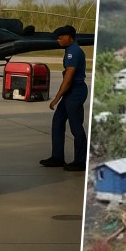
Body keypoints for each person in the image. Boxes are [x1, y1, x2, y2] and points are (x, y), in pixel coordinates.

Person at [40, 25, 87, 172]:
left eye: (61, 36)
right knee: (58, 121)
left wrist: (57, 97)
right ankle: (57, 157)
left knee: (76, 126)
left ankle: (80, 161)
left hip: (75, 91)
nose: (58, 39)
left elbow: (68, 77)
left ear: (70, 37)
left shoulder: (73, 51)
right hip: (71, 91)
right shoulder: (70, 50)